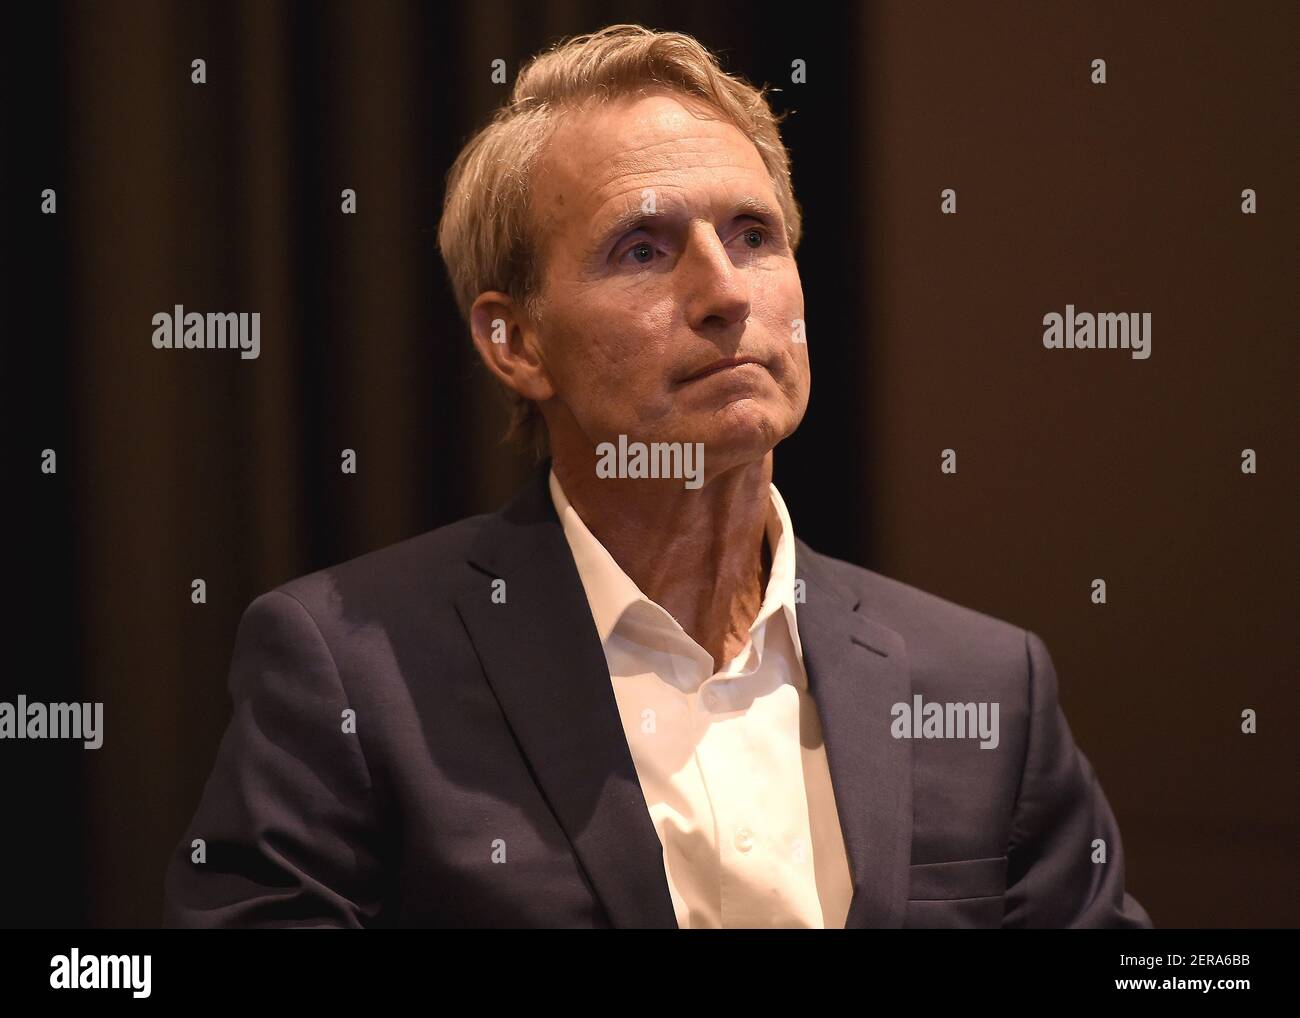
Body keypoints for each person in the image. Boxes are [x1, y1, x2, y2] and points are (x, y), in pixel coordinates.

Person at [163, 24, 1151, 929]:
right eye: (643, 248)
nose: (725, 292)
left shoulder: (982, 682)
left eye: (754, 236)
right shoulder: (352, 673)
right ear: (514, 343)